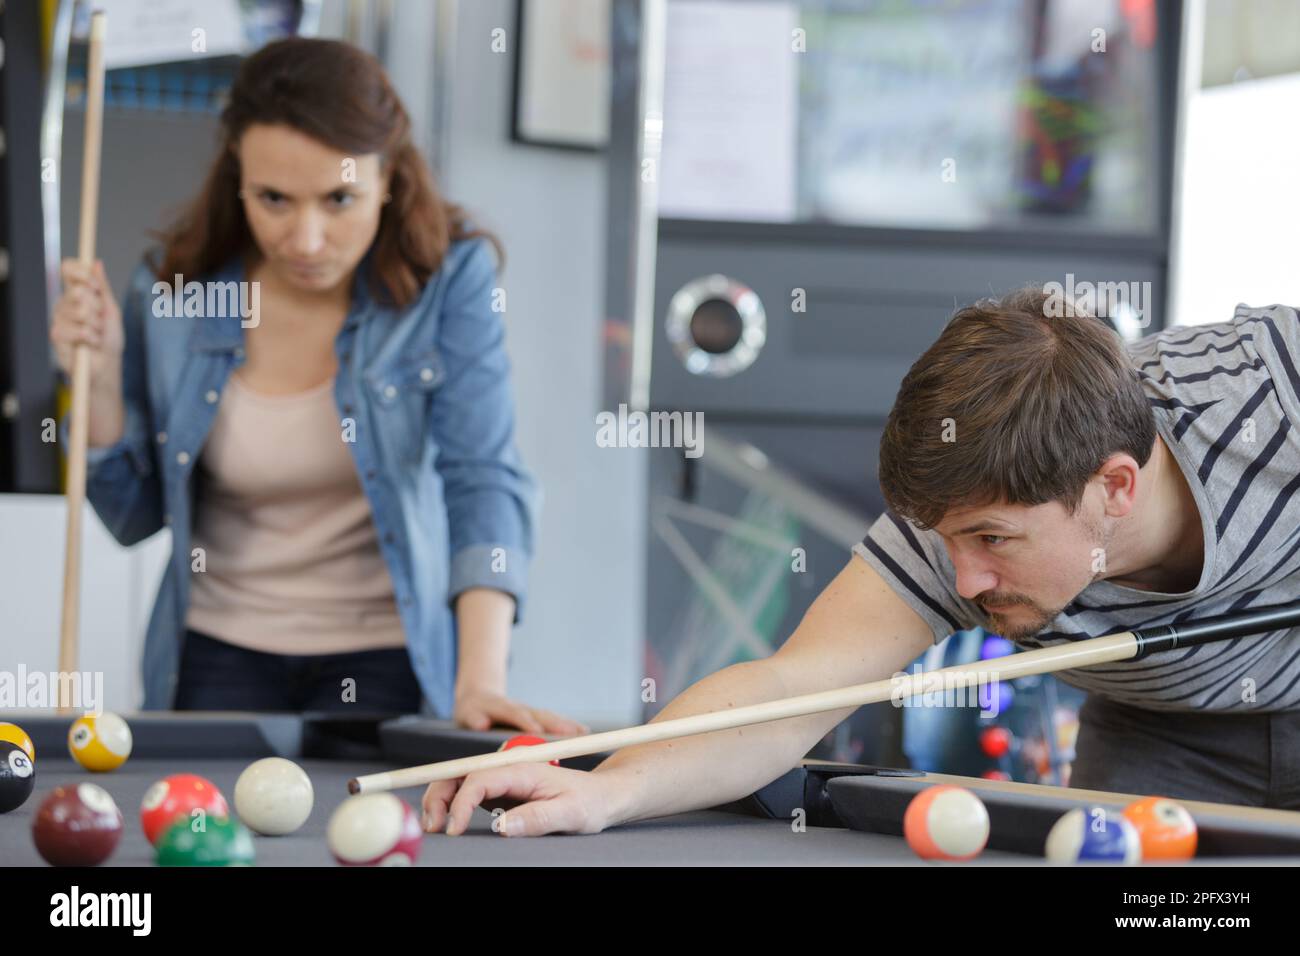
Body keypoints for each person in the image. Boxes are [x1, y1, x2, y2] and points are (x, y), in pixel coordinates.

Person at [419, 289, 1300, 836]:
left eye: (993, 541)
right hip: (1163, 730)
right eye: (951, 541)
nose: (964, 582)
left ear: (1115, 486)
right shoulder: (964, 508)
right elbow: (791, 690)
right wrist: (602, 791)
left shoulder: (1276, 396)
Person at [51, 38, 581, 734]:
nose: (305, 239)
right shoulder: (173, 290)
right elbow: (134, 517)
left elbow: (482, 479)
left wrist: (479, 680)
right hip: (215, 657)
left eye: (339, 199)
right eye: (273, 198)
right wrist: (96, 386)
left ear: (388, 178)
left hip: (388, 656)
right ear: (236, 176)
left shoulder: (450, 280)